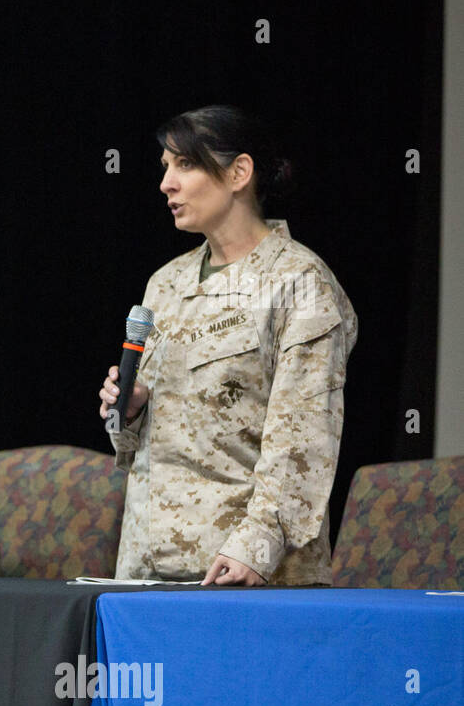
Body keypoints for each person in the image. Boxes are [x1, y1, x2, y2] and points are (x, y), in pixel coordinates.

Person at [99, 105, 357, 586]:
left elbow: (305, 438)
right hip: (146, 571)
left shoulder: (298, 282)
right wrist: (130, 412)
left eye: (185, 164)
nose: (166, 184)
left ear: (240, 172)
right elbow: (135, 445)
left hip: (243, 574)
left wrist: (255, 549)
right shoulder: (166, 283)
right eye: (165, 168)